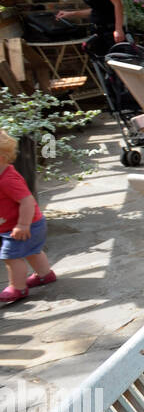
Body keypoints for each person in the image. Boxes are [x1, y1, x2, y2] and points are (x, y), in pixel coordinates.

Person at [0, 128, 56, 305]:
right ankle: (45, 275)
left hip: (25, 225)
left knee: (11, 256)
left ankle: (17, 287)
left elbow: (27, 201)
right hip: (21, 224)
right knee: (32, 251)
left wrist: (23, 225)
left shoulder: (8, 180)